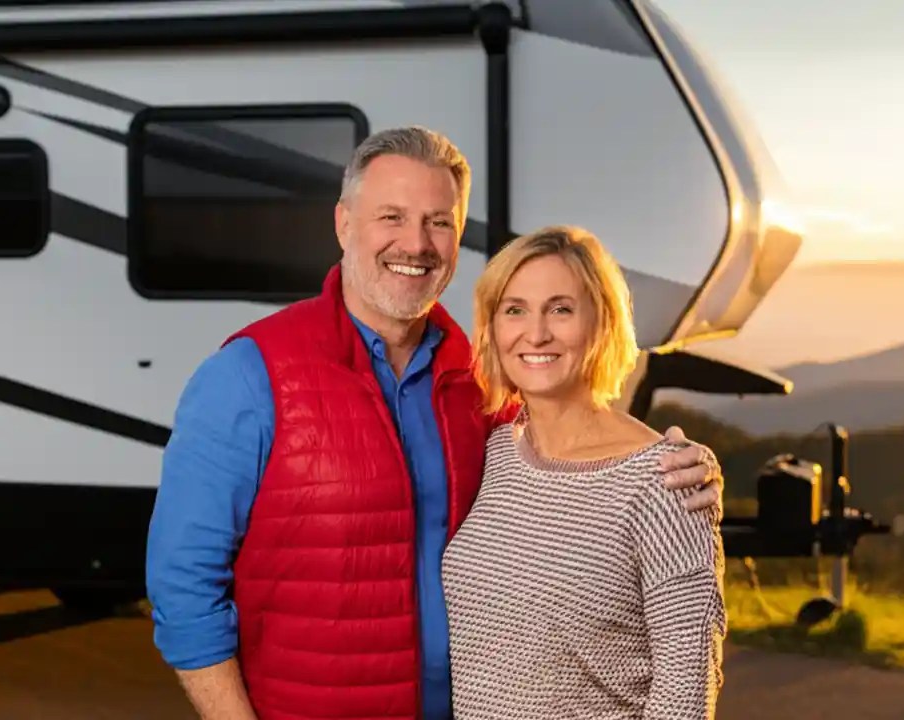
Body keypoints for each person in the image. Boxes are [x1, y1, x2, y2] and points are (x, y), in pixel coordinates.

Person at [145, 126, 723, 720]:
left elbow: (573, 442)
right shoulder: (249, 375)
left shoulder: (482, 386)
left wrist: (674, 461)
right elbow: (183, 585)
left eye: (438, 222)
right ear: (344, 225)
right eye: (391, 217)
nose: (415, 243)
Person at [442, 225, 727, 719]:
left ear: (602, 324)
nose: (536, 334)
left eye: (561, 309)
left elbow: (683, 698)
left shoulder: (665, 482)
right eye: (515, 310)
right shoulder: (496, 455)